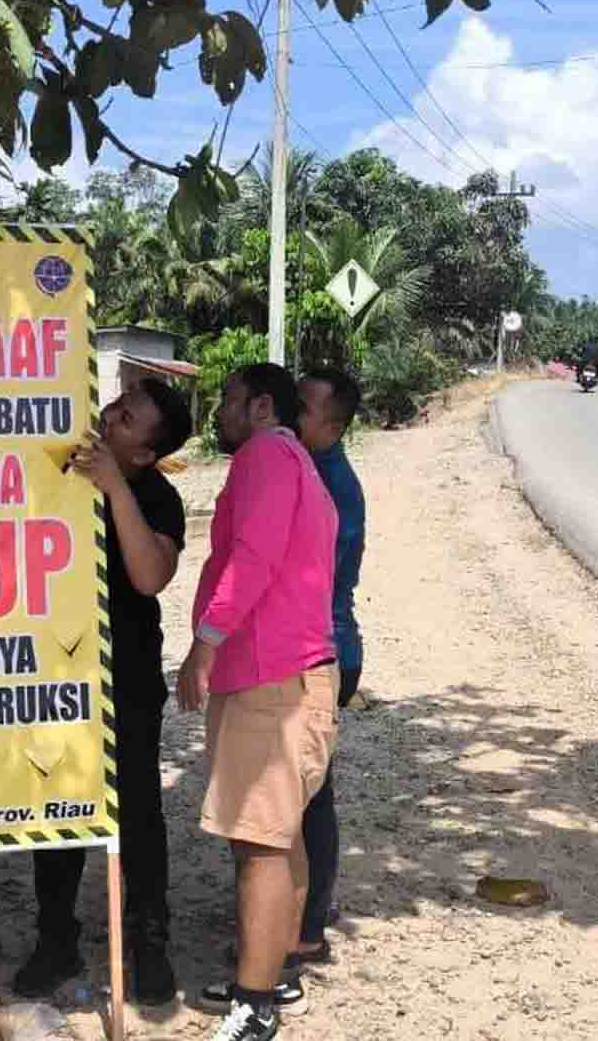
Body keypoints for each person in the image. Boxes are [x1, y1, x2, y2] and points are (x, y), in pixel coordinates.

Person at [14, 377, 193, 1006]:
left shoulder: (159, 497)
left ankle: (148, 942)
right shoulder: (55, 471)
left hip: (128, 678)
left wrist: (114, 488)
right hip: (53, 676)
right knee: (54, 810)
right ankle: (55, 940)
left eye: (124, 418)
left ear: (144, 453)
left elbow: (150, 576)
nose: (107, 418)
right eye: (114, 408)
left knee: (138, 815)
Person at [176, 363, 338, 1041]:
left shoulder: (266, 454)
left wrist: (204, 647)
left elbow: (253, 556)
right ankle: (275, 974)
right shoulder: (296, 461)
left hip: (272, 677)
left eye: (228, 400)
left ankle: (254, 1005)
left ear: (261, 405)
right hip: (288, 672)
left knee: (259, 843)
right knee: (281, 836)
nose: (219, 411)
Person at [291, 369, 366, 967]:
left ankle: (309, 928)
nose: (294, 412)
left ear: (334, 427)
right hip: (325, 642)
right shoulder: (310, 465)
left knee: (310, 793)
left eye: (306, 407)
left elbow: (312, 579)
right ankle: (307, 906)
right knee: (308, 789)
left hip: (324, 645)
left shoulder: (330, 483)